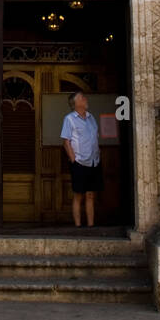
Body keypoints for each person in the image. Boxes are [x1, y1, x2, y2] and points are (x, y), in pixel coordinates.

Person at [61, 91, 102, 227]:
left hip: (93, 162)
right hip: (79, 162)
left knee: (90, 195)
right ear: (76, 103)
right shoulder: (70, 119)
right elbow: (66, 141)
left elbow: (95, 138)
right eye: (82, 98)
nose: (85, 99)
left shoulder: (91, 118)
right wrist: (73, 159)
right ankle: (78, 226)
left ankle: (91, 226)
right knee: (79, 195)